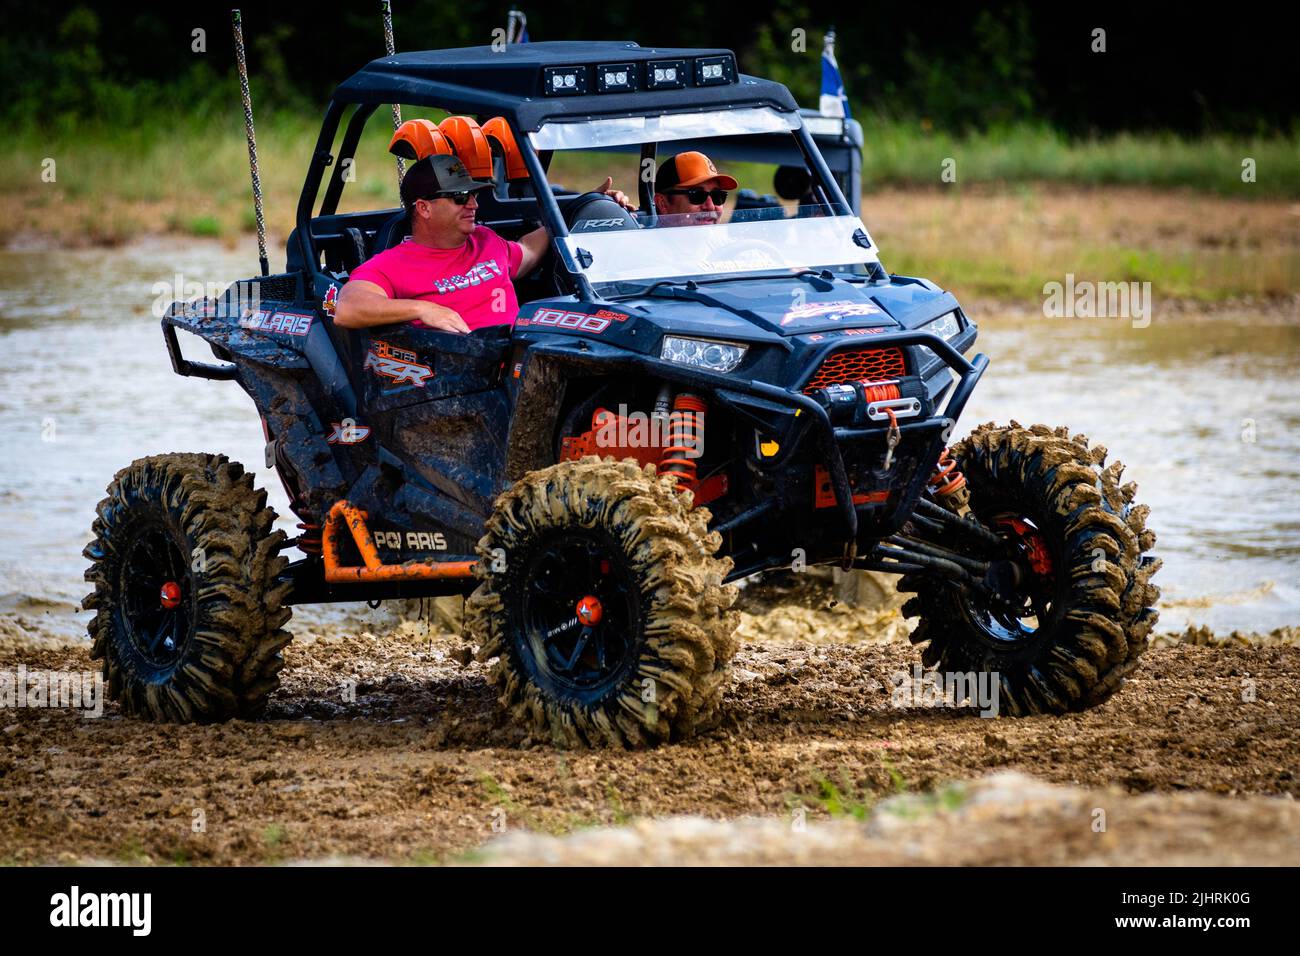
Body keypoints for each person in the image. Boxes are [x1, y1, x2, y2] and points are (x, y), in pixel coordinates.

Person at [334, 154, 633, 332]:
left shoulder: (485, 239)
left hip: (521, 357)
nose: (474, 205)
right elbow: (347, 308)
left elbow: (528, 251)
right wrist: (422, 309)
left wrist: (587, 204)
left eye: (474, 195)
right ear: (423, 208)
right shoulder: (393, 263)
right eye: (460, 198)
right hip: (460, 377)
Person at [652, 151, 738, 225]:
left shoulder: (726, 243)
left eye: (717, 196)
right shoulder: (644, 243)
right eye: (697, 195)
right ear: (662, 204)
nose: (711, 206)